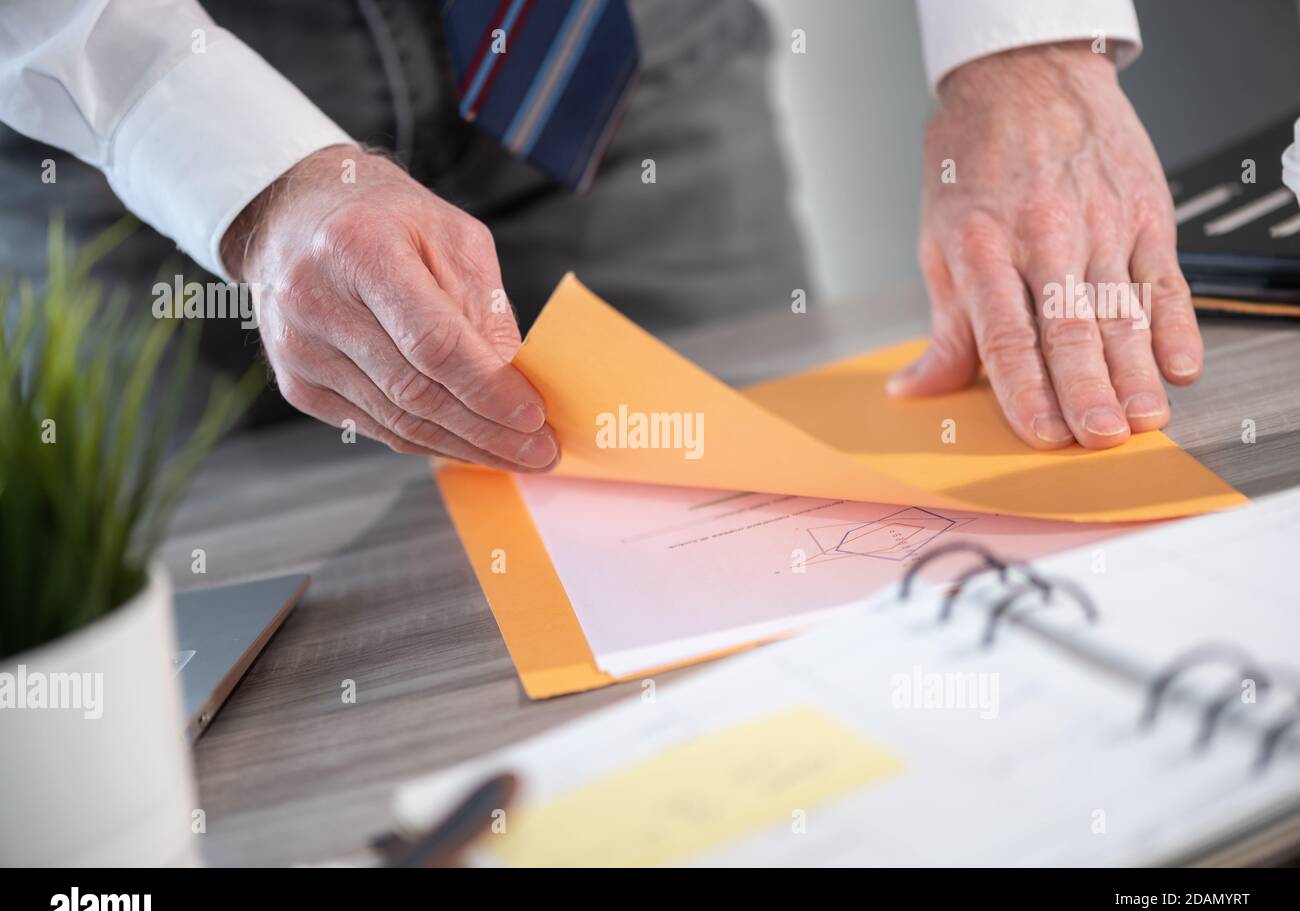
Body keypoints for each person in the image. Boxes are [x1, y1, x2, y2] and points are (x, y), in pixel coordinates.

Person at [0, 0, 1201, 468]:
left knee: (750, 581)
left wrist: (1027, 44)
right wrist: (245, 174)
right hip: (121, 121)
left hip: (608, 45)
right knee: (228, 718)